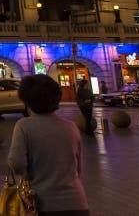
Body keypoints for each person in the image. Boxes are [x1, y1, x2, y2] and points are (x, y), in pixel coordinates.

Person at [8, 74, 89, 215]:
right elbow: (78, 168)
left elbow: (17, 163)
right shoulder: (71, 127)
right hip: (77, 203)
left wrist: (26, 175)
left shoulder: (24, 126)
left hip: (42, 203)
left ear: (27, 101)